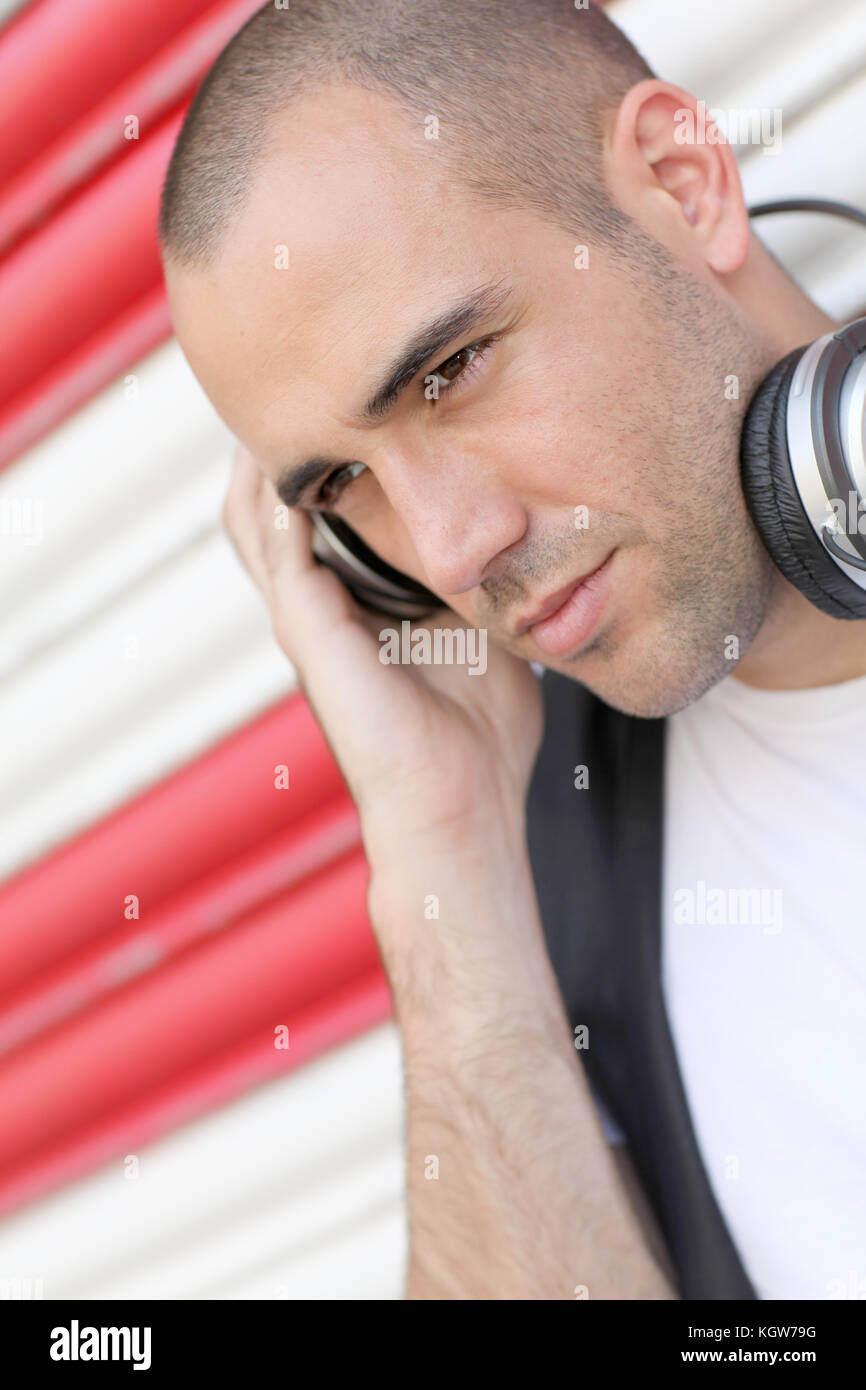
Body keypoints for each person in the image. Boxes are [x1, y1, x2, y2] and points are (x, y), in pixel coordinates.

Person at [158, 0, 866, 1299]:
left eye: (450, 369)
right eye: (345, 490)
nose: (447, 551)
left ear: (680, 183)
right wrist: (451, 868)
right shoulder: (551, 887)